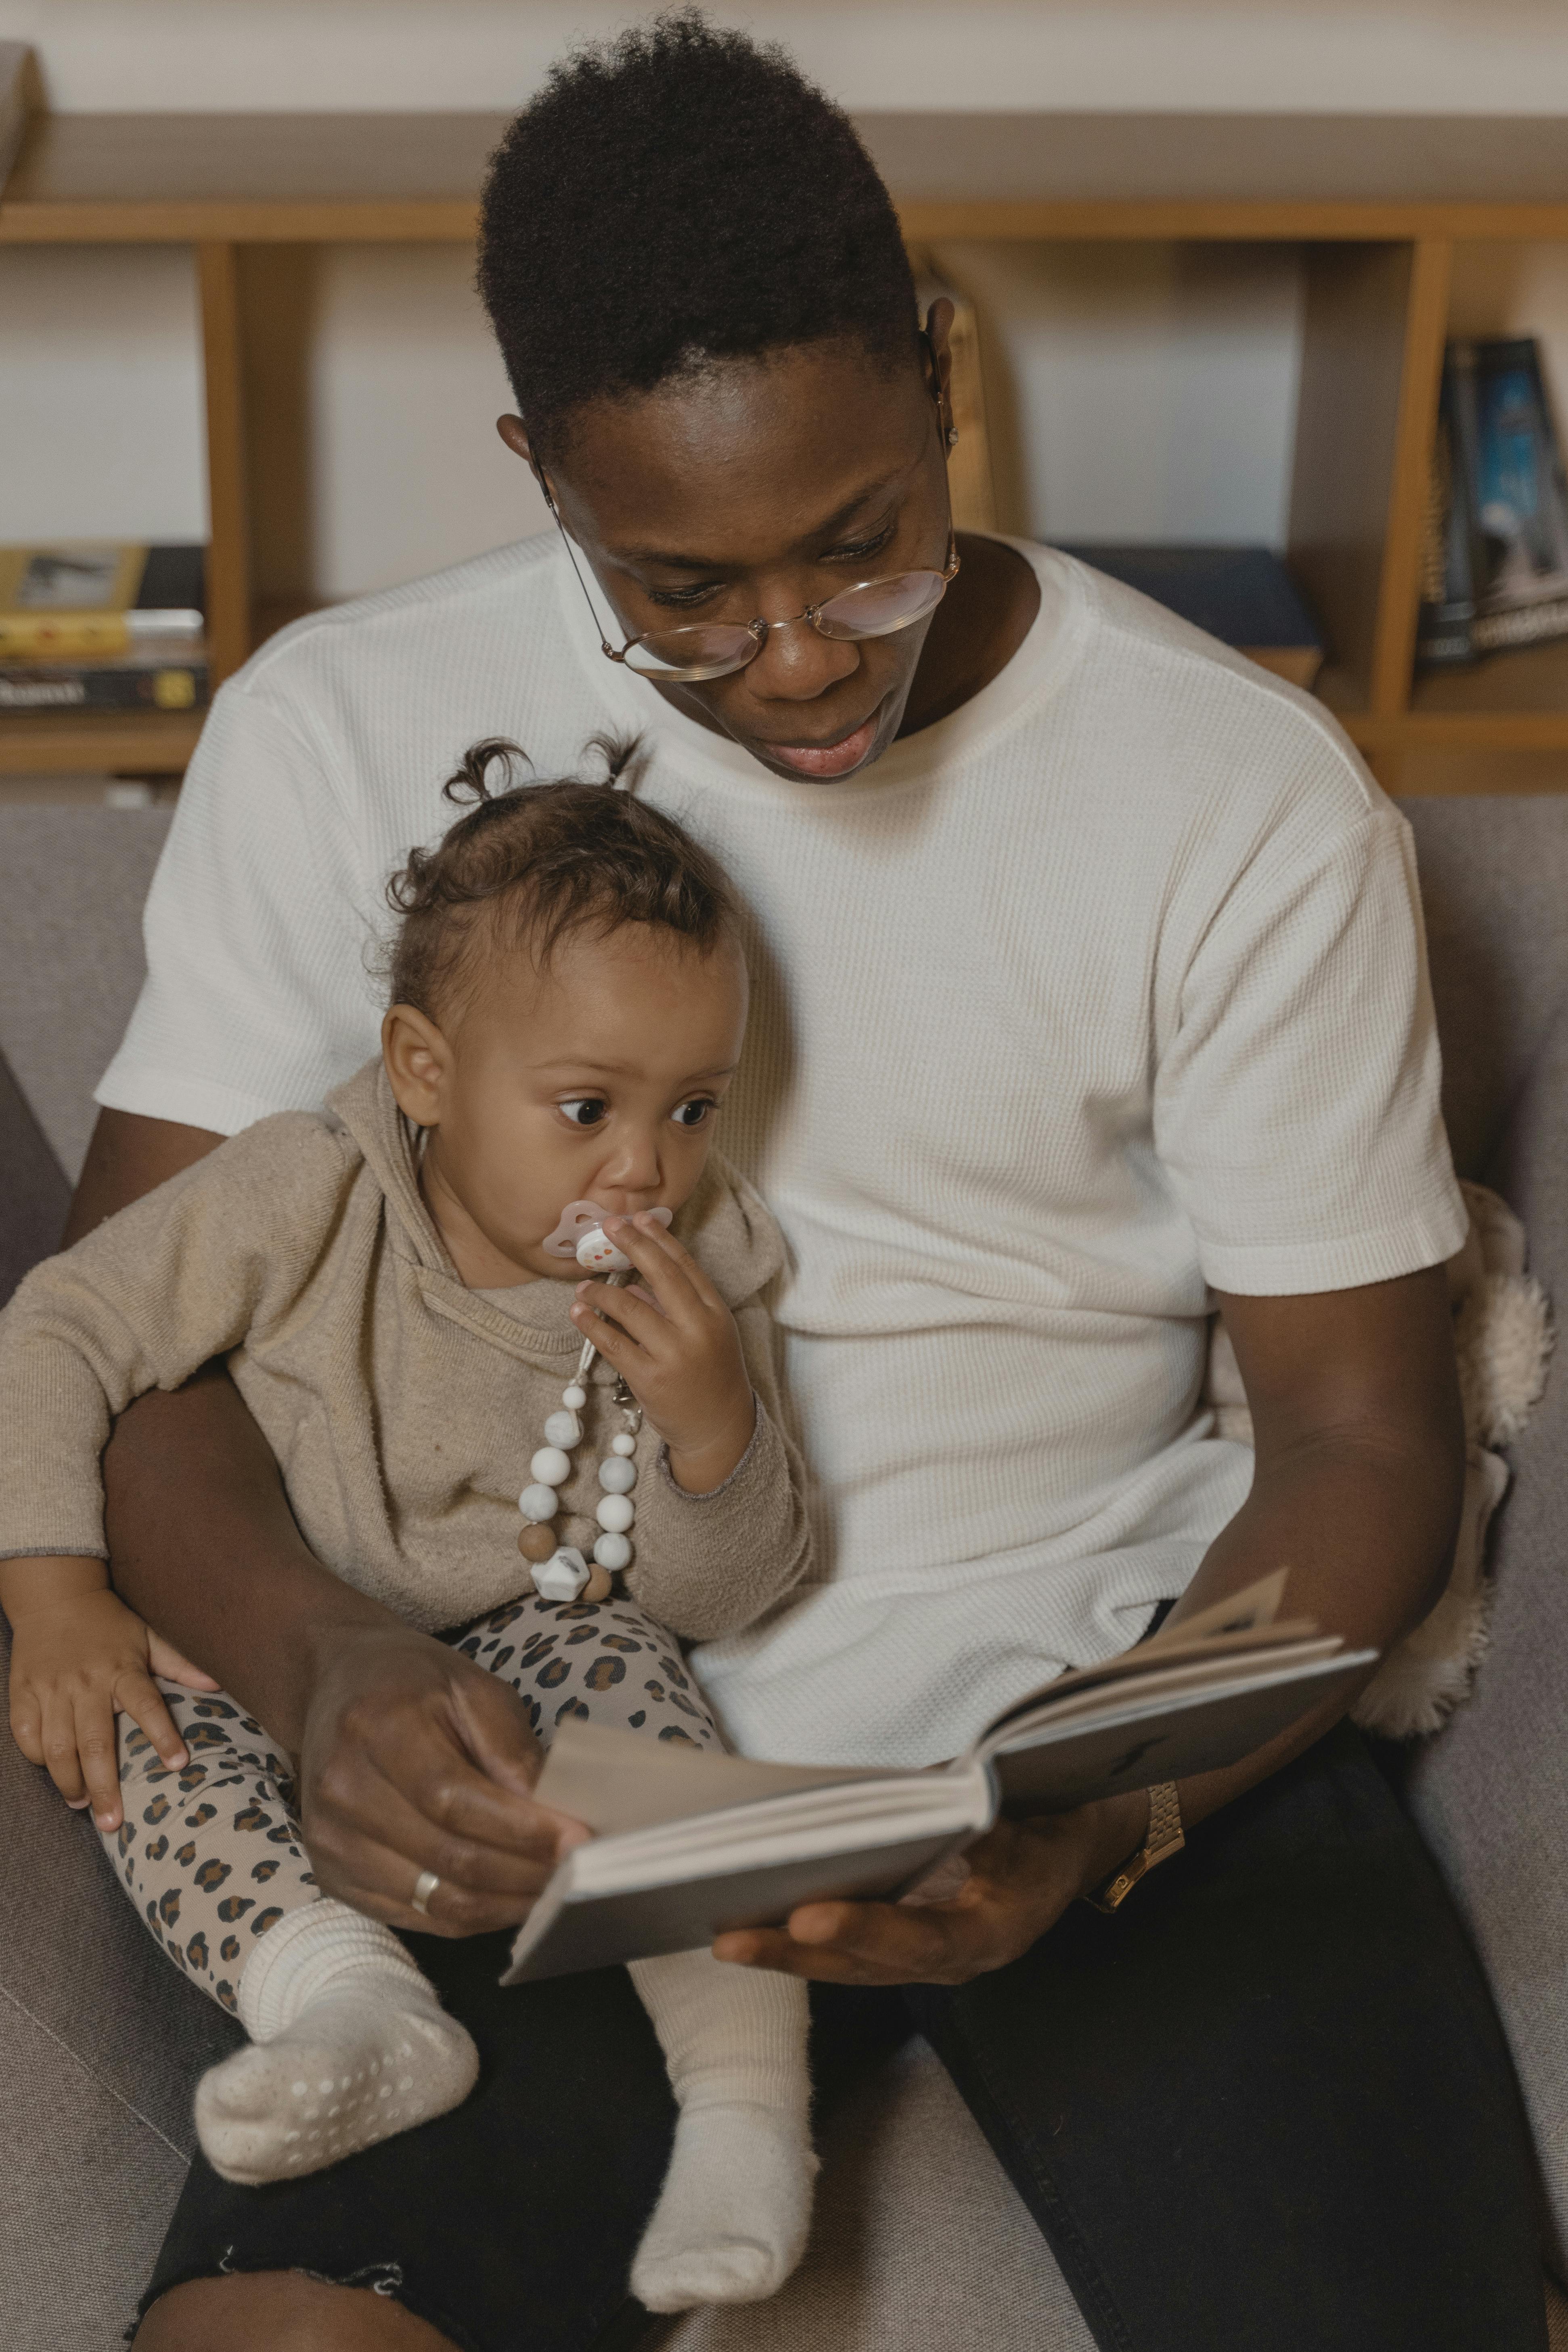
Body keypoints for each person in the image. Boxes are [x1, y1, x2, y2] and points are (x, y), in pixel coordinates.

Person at [63, 14, 1544, 2350]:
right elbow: (129, 1330)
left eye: (862, 552)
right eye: (680, 592)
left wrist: (1101, 1809)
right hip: (546, 1725)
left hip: (1089, 1687)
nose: (791, 667)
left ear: (937, 379)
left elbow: (1361, 1436)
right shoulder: (335, 728)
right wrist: (323, 1660)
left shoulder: (1240, 794)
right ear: (540, 470)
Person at [1, 746, 819, 2312]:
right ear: (426, 1071)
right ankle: (346, 2002)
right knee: (148, 1745)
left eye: (693, 1107)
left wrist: (712, 1422)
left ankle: (746, 2102)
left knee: (638, 1688)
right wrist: (53, 1590)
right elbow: (63, 1322)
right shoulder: (311, 1188)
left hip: (531, 1635)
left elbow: (718, 1596)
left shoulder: (699, 1262)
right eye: (585, 1107)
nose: (642, 1165)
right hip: (281, 1638)